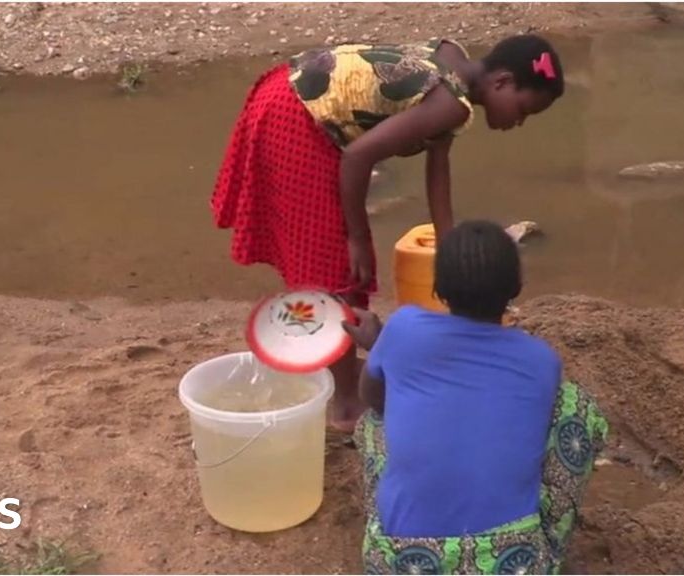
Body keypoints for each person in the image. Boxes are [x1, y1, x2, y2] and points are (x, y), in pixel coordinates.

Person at [211, 35, 565, 432]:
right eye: (522, 110)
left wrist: (447, 249)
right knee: (337, 267)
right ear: (501, 82)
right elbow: (357, 156)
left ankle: (336, 367)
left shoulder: (453, 63)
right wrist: (358, 237)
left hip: (287, 90)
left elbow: (438, 167)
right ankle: (346, 403)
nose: (518, 122)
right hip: (297, 120)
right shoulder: (450, 102)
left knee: (327, 260)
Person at [341, 221, 608, 574]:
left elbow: (373, 399)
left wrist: (380, 346)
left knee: (375, 421)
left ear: (437, 287)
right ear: (516, 287)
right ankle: (550, 545)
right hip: (510, 561)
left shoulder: (403, 328)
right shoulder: (541, 359)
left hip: (404, 561)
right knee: (573, 407)